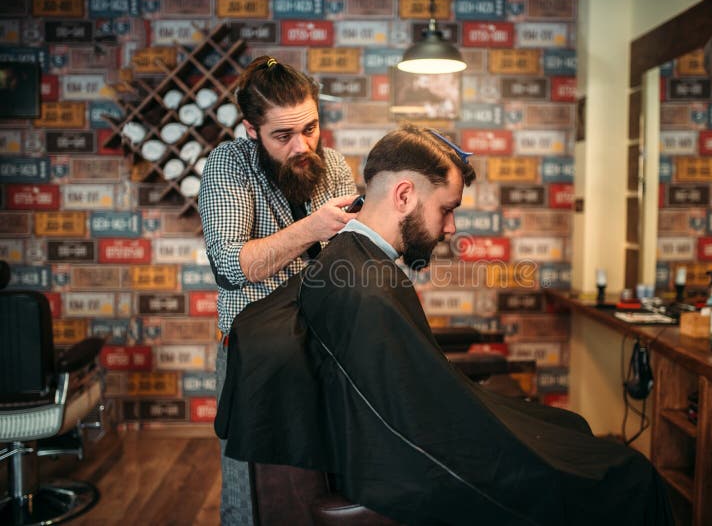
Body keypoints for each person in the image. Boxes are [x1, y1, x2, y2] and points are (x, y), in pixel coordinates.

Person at [216, 125, 673, 525]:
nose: (451, 227)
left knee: (568, 428)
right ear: (403, 196)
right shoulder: (361, 286)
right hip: (414, 468)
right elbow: (414, 433)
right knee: (628, 478)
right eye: (446, 209)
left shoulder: (356, 266)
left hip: (417, 445)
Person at [198, 55, 358, 525]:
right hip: (256, 354)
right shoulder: (229, 164)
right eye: (283, 136)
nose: (301, 146)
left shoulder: (331, 165)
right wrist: (314, 226)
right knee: (255, 492)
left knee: (322, 480)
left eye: (310, 129)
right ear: (252, 130)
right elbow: (232, 265)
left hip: (325, 344)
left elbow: (345, 262)